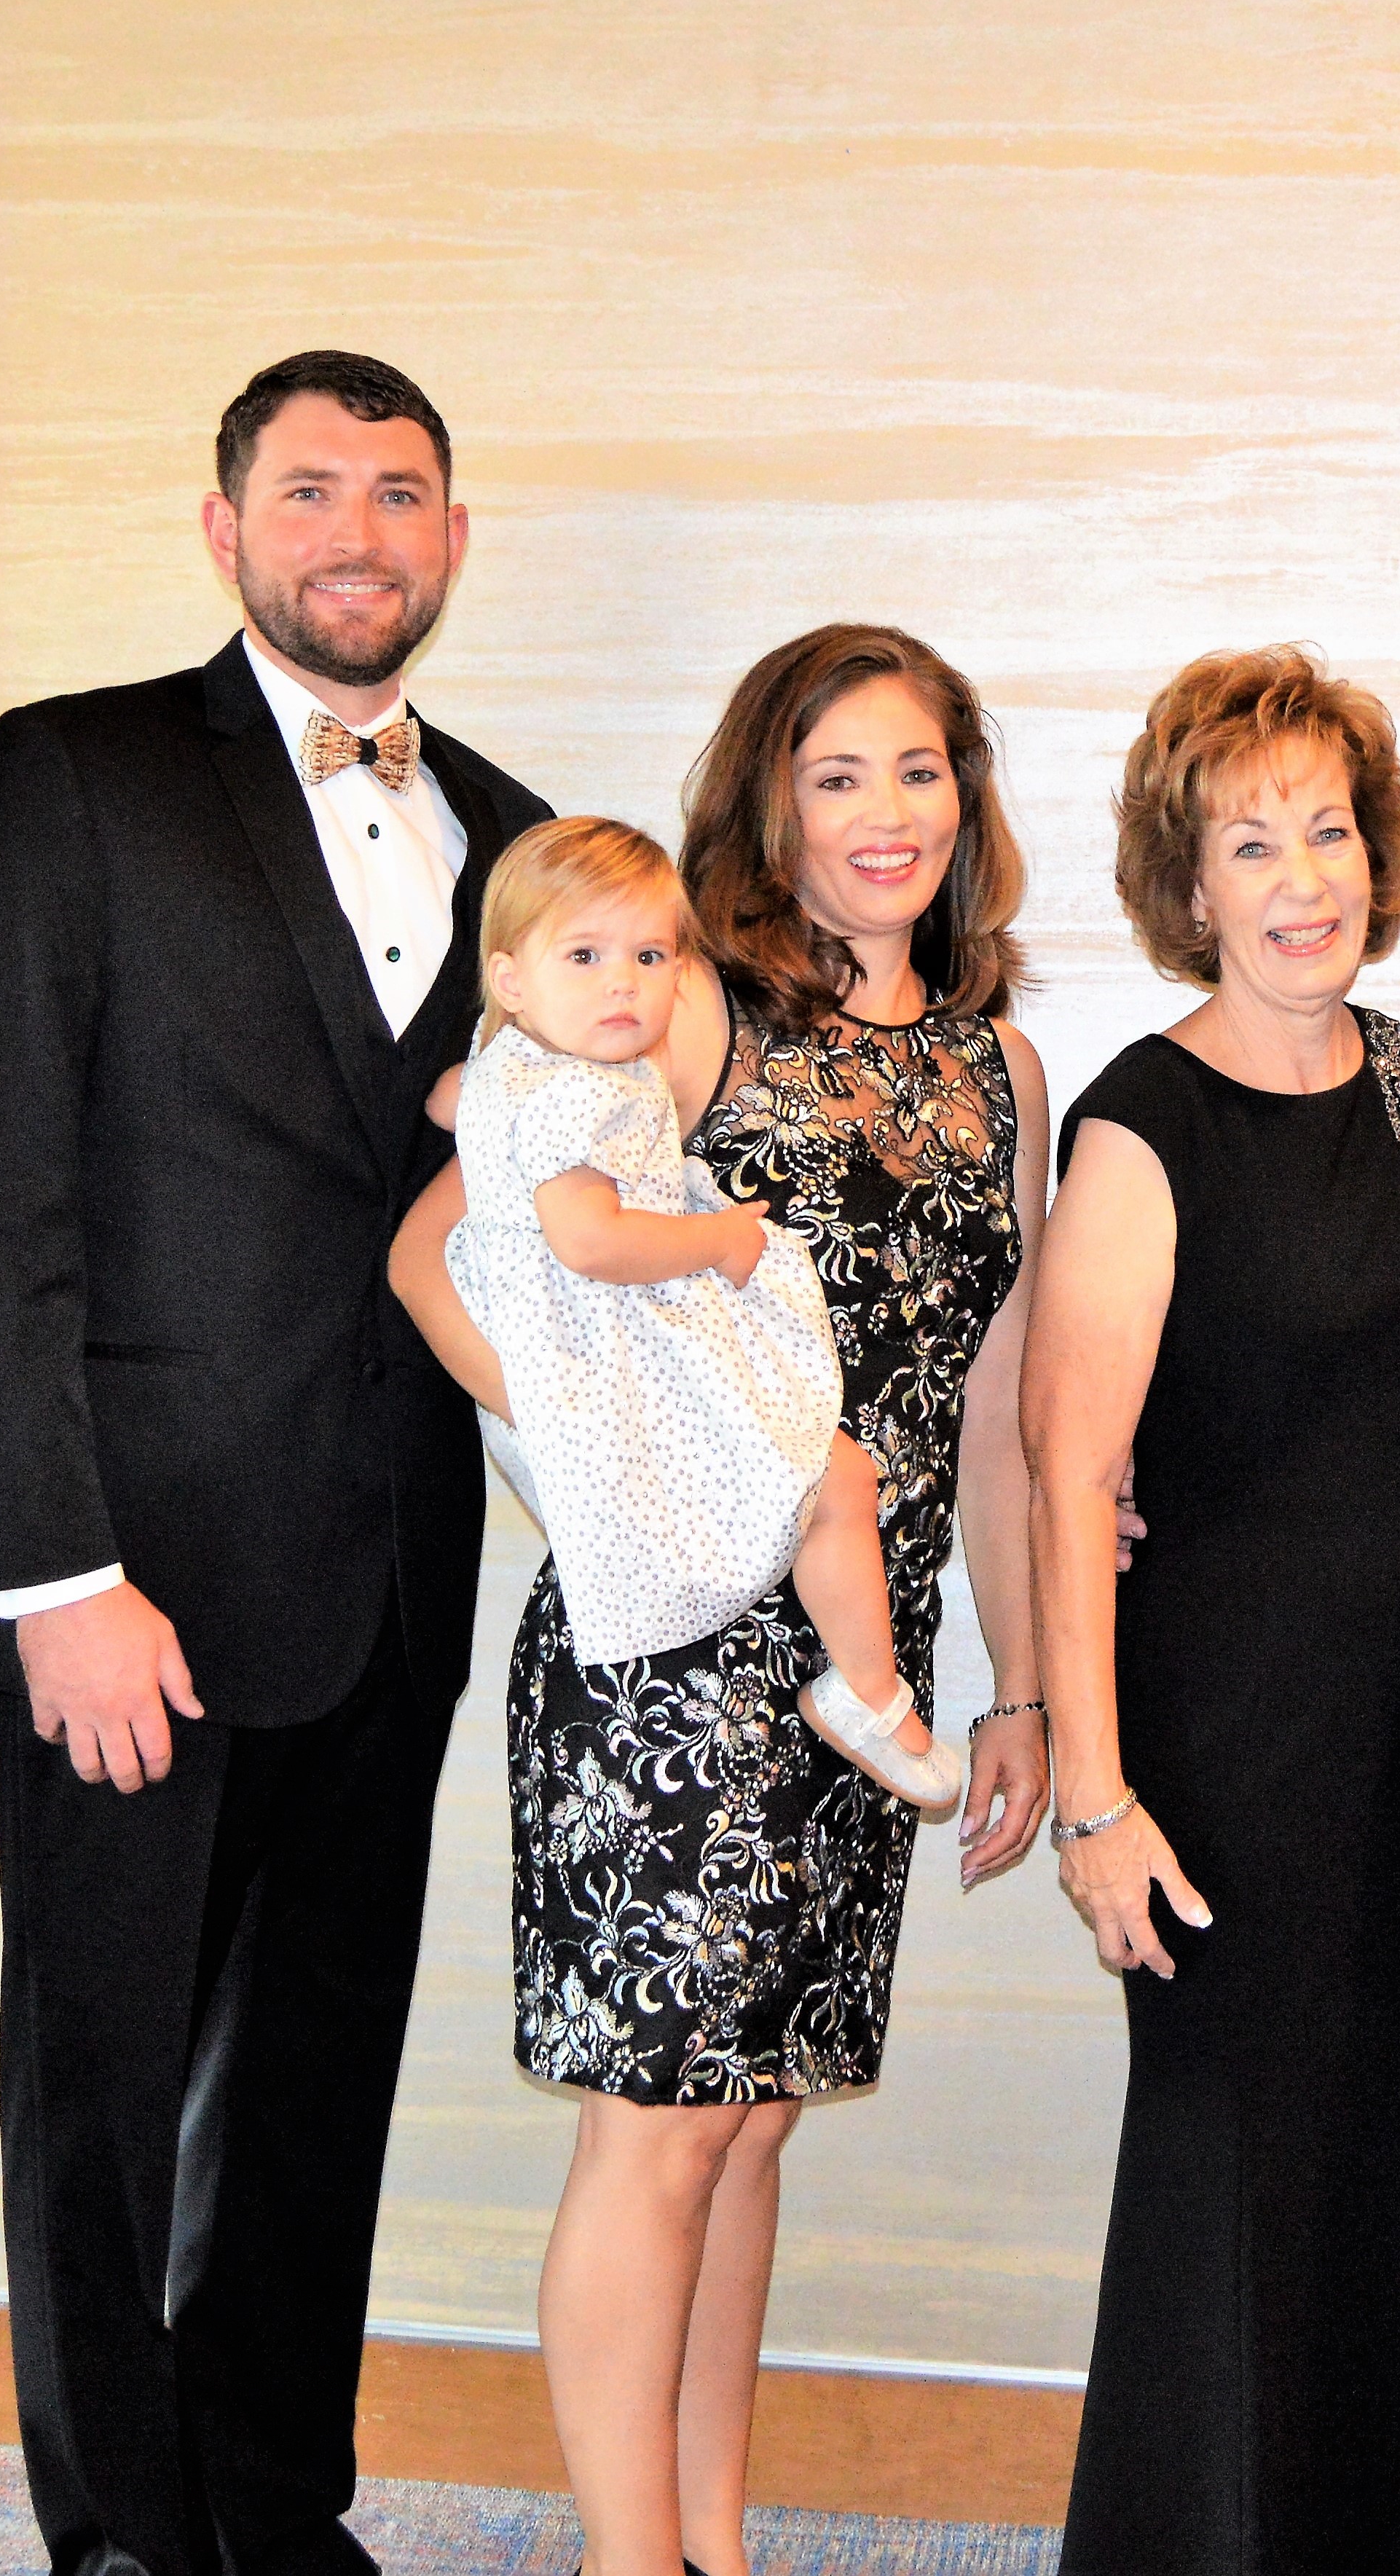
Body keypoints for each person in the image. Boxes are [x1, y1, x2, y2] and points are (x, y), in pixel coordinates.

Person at [0, 351, 549, 2574]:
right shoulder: (67, 776)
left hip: (384, 1578)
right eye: (307, 491)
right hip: (126, 1588)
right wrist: (47, 1571)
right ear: (222, 530)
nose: (355, 532)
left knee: (307, 2101)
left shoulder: (519, 832)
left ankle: (273, 2504)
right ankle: (116, 2540)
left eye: (399, 493)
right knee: (97, 2103)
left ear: (452, 539)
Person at [390, 621, 1053, 2576]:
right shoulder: (680, 1006)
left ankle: (709, 2540)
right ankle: (622, 2557)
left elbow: (997, 1397)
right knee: (660, 2124)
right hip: (672, 1655)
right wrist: (625, 1460)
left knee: (757, 2115)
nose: (882, 814)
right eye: (835, 774)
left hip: (869, 1653)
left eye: (917, 769)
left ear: (966, 796)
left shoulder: (998, 1059)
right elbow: (445, 1259)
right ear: (768, 801)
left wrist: (1012, 1681)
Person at [1023, 648, 1400, 2571]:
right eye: (1250, 841)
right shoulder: (1143, 1119)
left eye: (1328, 829)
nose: (1302, 875)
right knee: (1234, 2192)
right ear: (1186, 883)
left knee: (1388, 2193)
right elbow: (1066, 1470)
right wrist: (1096, 1800)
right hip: (1220, 1744)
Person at [444, 816, 962, 1810]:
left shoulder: (515, 1066)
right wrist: (719, 1241)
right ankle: (869, 1693)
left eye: (649, 955)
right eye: (585, 955)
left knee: (817, 1486)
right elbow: (590, 1239)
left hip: (577, 1353)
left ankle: (864, 1691)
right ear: (512, 981)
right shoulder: (579, 1096)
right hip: (610, 1348)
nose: (621, 984)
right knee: (836, 1475)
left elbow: (467, 1113)